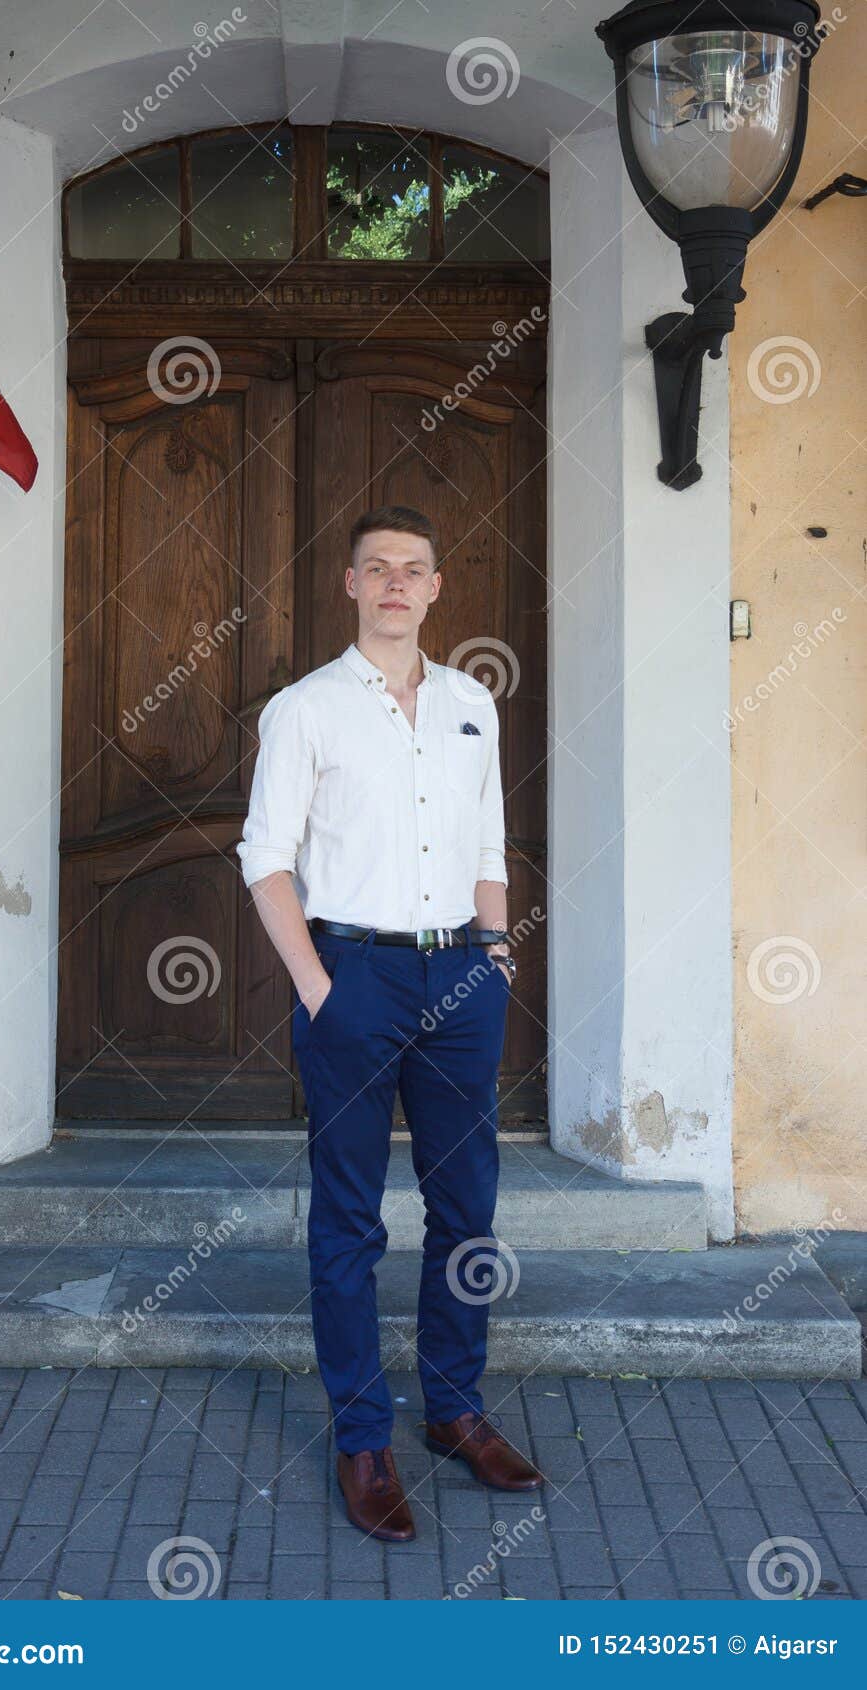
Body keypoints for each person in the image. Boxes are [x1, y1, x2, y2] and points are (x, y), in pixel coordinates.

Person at [236, 504, 544, 1542]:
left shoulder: (469, 702)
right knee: (348, 1219)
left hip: (459, 977)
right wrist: (318, 987)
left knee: (466, 1209)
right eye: (377, 568)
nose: (396, 584)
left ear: (435, 587)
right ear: (350, 584)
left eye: (413, 568)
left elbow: (489, 841)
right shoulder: (306, 709)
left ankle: (453, 1409)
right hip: (353, 976)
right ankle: (363, 1438)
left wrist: (492, 955)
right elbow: (264, 857)